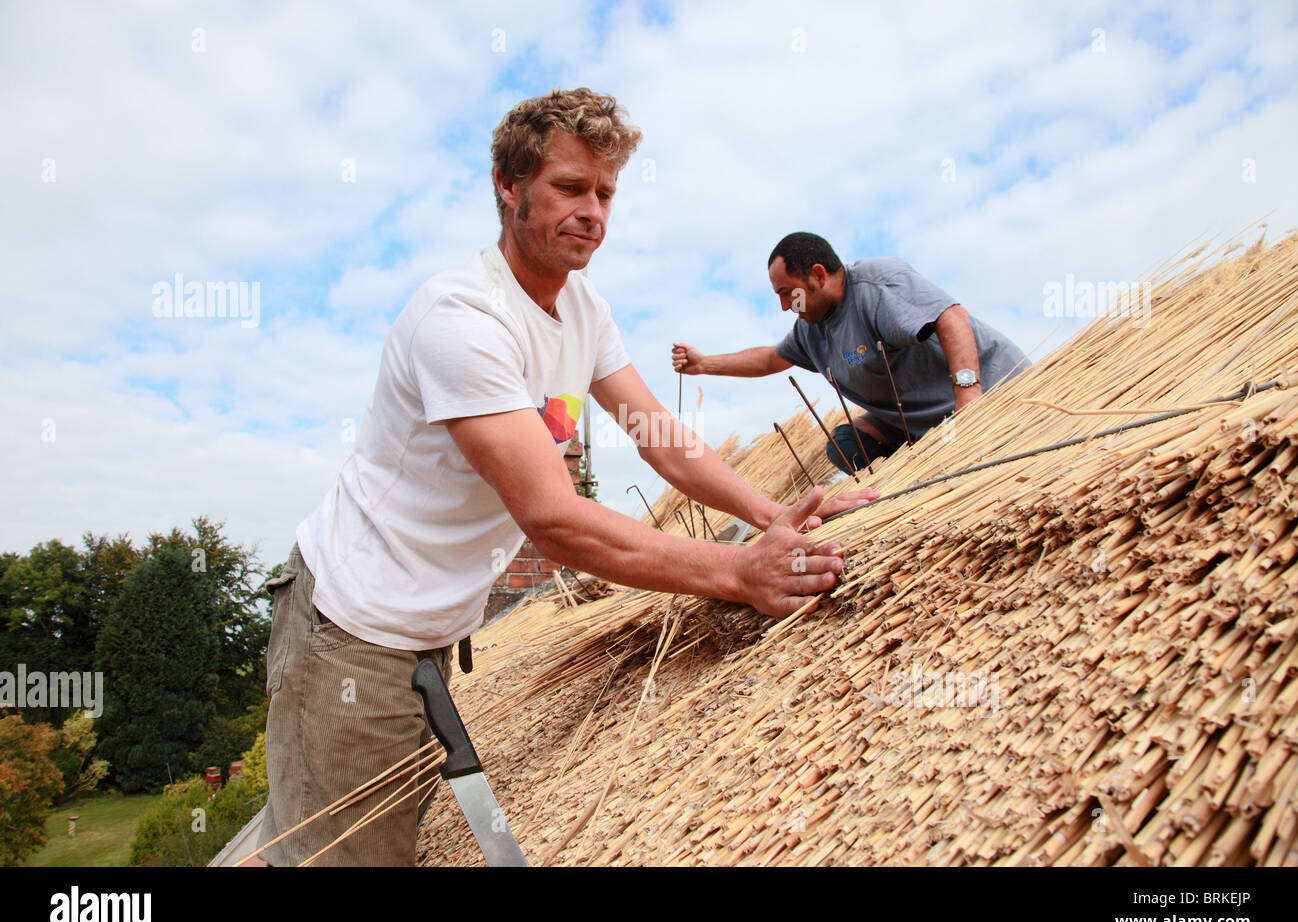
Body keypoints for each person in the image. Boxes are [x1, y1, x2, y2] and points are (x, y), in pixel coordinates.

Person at [255, 93, 878, 866]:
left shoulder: (583, 310)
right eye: (569, 188)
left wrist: (771, 510)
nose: (592, 212)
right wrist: (737, 571)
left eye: (605, 194)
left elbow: (660, 439)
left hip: (428, 632)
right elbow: (552, 518)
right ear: (507, 187)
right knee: (342, 858)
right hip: (351, 629)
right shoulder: (460, 319)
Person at [672, 232, 1029, 472]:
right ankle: (917, 477)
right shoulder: (811, 331)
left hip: (998, 394)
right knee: (845, 446)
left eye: (787, 292)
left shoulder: (876, 284)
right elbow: (770, 359)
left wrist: (969, 397)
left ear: (818, 274)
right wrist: (705, 364)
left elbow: (950, 316)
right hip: (923, 424)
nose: (784, 306)